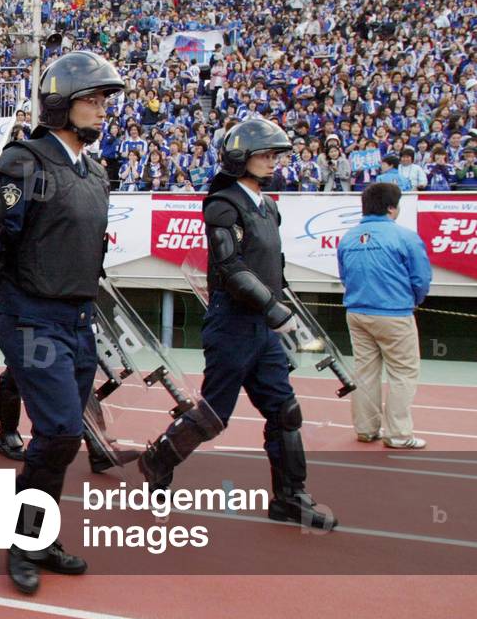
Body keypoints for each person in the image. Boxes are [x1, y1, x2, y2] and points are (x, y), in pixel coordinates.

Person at [0, 51, 122, 594]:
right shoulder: (23, 163)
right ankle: (23, 542)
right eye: (92, 99)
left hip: (78, 320)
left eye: (105, 100)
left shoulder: (94, 173)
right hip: (32, 318)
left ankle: (38, 538)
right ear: (61, 103)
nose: (102, 109)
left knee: (60, 438)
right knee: (62, 430)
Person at [137, 118, 338, 530]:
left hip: (264, 329)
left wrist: (281, 305)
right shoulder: (222, 205)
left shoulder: (269, 208)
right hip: (232, 325)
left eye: (275, 154)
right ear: (239, 157)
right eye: (264, 154)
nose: (272, 161)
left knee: (285, 411)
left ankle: (290, 497)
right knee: (214, 416)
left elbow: (272, 268)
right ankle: (158, 458)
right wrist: (272, 308)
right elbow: (230, 267)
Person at [337, 183, 431, 449]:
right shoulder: (405, 237)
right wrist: (414, 301)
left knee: (365, 371)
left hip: (357, 312)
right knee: (403, 373)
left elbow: (344, 276)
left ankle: (366, 429)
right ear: (391, 208)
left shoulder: (348, 237)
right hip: (394, 313)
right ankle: (398, 434)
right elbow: (421, 279)